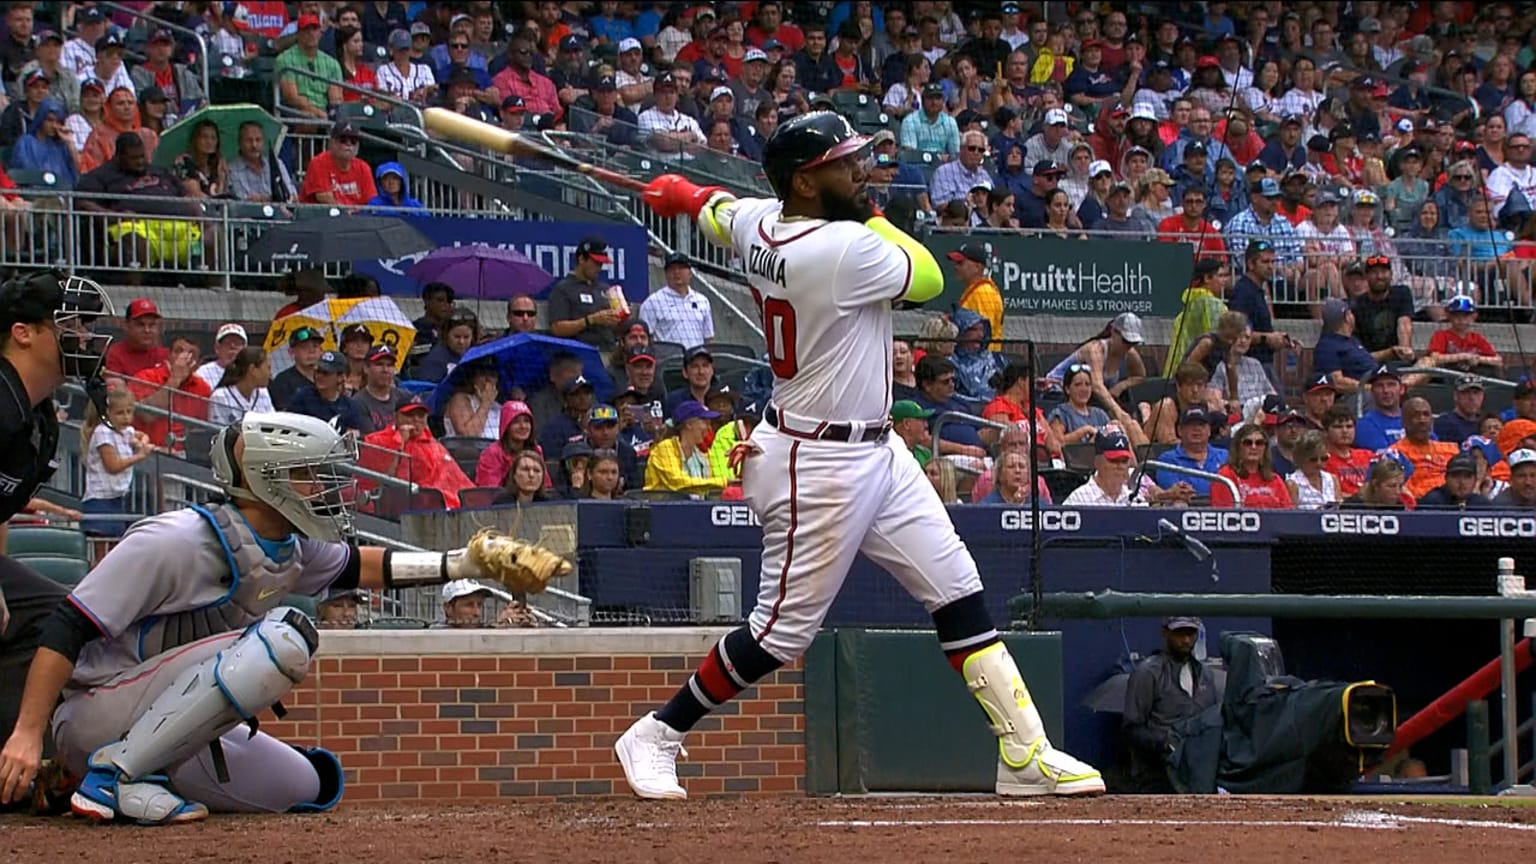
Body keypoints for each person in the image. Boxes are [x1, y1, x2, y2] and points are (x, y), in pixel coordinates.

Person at [620, 111, 1102, 800]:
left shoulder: (761, 221)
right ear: (806, 181)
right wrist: (866, 208)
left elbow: (718, 211)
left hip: (877, 448)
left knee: (957, 587)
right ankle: (657, 733)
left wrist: (685, 195)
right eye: (844, 164)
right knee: (779, 636)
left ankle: (1024, 753)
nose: (861, 172)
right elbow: (933, 279)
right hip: (814, 461)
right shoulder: (840, 250)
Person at [0, 271, 113, 780]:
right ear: (24, 332)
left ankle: (14, 765)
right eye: (70, 326)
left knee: (50, 615)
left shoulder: (38, 415)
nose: (84, 339)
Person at [1122, 616, 1220, 794]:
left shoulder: (1206, 674)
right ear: (1165, 632)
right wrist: (1165, 743)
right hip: (1157, 776)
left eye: (1190, 633)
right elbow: (1131, 729)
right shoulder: (1148, 673)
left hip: (1198, 775)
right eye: (1179, 633)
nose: (1186, 640)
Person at [80, 387, 156, 540]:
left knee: (116, 545)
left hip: (117, 497)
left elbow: (143, 435)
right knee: (102, 548)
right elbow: (112, 466)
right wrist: (139, 456)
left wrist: (141, 442)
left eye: (129, 412)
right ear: (107, 414)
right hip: (100, 500)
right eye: (120, 413)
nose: (126, 417)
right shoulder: (103, 432)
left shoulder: (126, 431)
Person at [548, 237, 623, 350]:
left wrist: (621, 319)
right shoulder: (563, 289)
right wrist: (590, 320)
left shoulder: (605, 289)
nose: (599, 268)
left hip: (609, 350)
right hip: (580, 353)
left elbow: (617, 329)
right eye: (596, 263)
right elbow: (557, 328)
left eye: (601, 264)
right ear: (582, 259)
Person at [1210, 422, 1294, 509]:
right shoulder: (1226, 476)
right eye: (1247, 443)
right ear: (1238, 447)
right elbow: (1224, 513)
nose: (1254, 447)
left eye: (1259, 443)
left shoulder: (1274, 479)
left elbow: (1287, 513)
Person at [638, 252, 713, 348]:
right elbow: (646, 337)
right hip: (668, 361)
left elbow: (708, 338)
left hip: (695, 360)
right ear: (665, 274)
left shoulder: (702, 301)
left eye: (681, 268)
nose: (677, 272)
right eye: (672, 269)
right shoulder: (652, 302)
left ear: (690, 273)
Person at [285, 351, 364, 435]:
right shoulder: (302, 398)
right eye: (318, 371)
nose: (319, 376)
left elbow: (352, 439)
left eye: (325, 373)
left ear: (340, 377)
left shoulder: (350, 407)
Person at [946, 242, 1004, 351]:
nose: (955, 267)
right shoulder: (976, 290)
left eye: (960, 263)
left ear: (977, 267)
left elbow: (983, 333)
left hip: (982, 360)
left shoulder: (983, 293)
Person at [208, 347, 274, 426]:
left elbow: (273, 425)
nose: (270, 374)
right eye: (268, 368)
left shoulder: (263, 393)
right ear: (253, 370)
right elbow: (217, 433)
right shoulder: (220, 396)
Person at [442, 360, 502, 440]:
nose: (488, 380)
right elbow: (468, 434)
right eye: (482, 374)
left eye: (492, 375)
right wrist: (486, 403)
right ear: (473, 378)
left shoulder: (499, 407)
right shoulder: (460, 399)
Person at [268, 326, 324, 411]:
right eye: (304, 347)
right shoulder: (282, 381)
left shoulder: (329, 377)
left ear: (321, 350)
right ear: (291, 352)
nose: (311, 351)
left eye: (315, 346)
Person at [1417, 452, 1492, 509]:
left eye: (1467, 477)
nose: (1462, 482)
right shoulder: (1433, 502)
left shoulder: (1481, 504)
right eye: (1455, 476)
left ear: (1475, 480)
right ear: (1446, 478)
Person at [1287, 430, 1340, 509]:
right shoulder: (1293, 484)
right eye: (1313, 459)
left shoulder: (1332, 479)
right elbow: (1292, 515)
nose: (1319, 463)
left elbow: (1340, 510)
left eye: (1324, 458)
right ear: (1300, 458)